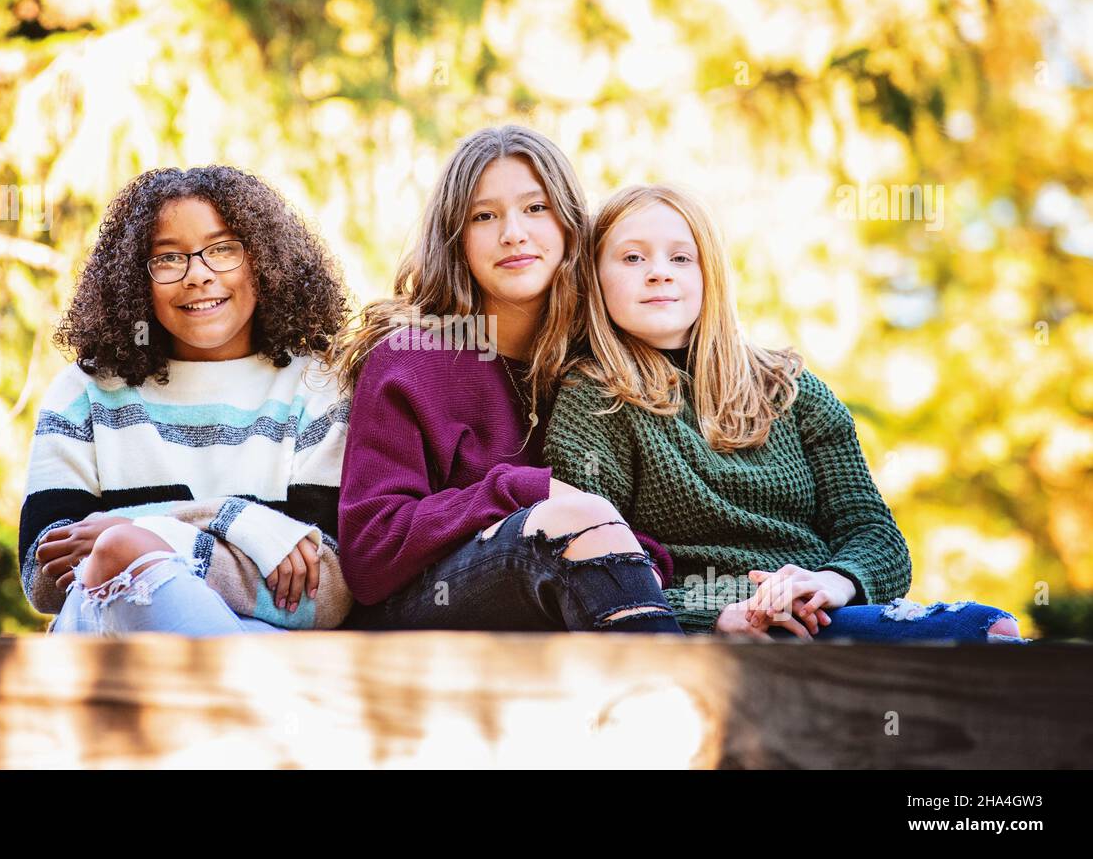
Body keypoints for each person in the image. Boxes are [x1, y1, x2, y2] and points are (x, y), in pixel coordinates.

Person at [542, 182, 1026, 642]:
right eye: (632, 257)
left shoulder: (789, 390)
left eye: (681, 257)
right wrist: (712, 620)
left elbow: (874, 532)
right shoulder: (595, 399)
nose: (659, 271)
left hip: (826, 612)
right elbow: (589, 565)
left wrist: (833, 582)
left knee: (988, 629)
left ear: (709, 273)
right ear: (594, 277)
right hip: (710, 628)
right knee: (979, 632)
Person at [334, 126, 682, 634]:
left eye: (535, 208)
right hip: (425, 609)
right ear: (456, 239)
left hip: (570, 604)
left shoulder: (604, 362)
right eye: (484, 216)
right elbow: (371, 551)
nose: (513, 233)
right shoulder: (412, 360)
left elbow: (646, 535)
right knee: (569, 521)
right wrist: (526, 489)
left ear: (569, 221)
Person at [19, 165, 352, 636]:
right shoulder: (83, 394)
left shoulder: (316, 391)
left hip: (255, 655)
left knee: (124, 556)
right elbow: (46, 577)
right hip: (109, 642)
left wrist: (147, 539)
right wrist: (234, 523)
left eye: (223, 250)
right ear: (136, 279)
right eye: (169, 258)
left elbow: (323, 597)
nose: (198, 275)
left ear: (264, 262)